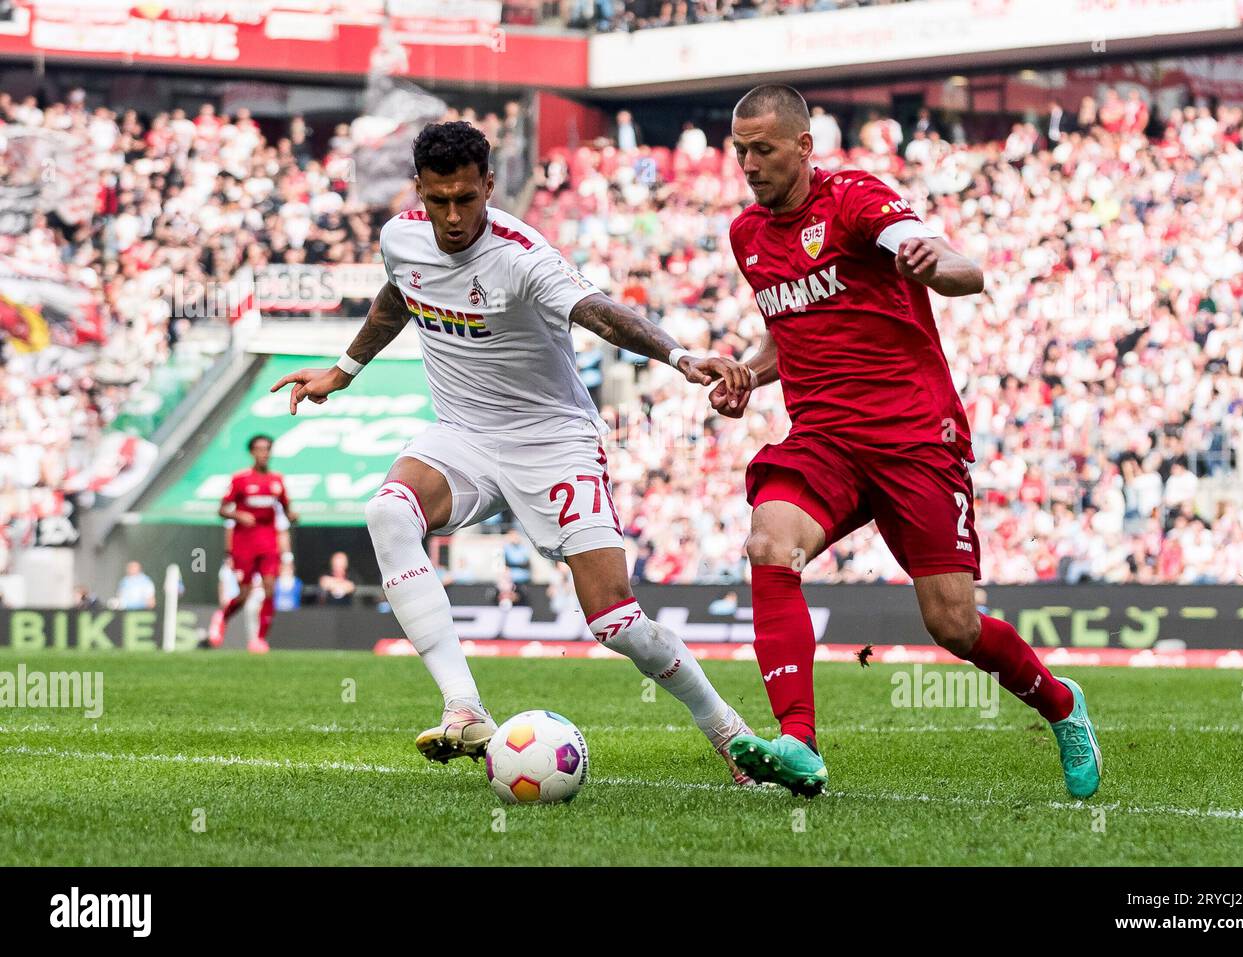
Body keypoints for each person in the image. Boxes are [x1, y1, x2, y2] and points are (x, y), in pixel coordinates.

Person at [271, 121, 758, 785]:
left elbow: (599, 310)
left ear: (489, 188)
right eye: (437, 200)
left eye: (465, 199)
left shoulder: (522, 254)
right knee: (388, 511)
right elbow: (398, 296)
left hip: (551, 438)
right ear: (418, 190)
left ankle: (728, 730)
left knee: (615, 619)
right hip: (463, 435)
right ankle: (464, 706)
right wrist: (343, 370)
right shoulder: (401, 239)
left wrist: (679, 355)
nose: (451, 216)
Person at [715, 85, 1101, 799]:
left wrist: (934, 264)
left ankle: (1061, 704)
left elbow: (962, 269)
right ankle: (798, 741)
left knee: (952, 623)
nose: (749, 164)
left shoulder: (857, 200)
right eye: (740, 150)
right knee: (770, 540)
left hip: (915, 435)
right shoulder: (747, 236)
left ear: (804, 146)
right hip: (825, 438)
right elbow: (792, 328)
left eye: (763, 149)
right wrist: (747, 370)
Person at [206, 434, 298, 654]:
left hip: (268, 541)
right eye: (259, 449)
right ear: (252, 452)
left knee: (269, 588)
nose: (264, 453)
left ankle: (259, 640)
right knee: (245, 593)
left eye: (267, 449)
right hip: (244, 541)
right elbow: (221, 509)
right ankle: (223, 616)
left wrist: (293, 515)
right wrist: (238, 516)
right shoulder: (241, 479)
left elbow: (286, 509)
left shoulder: (277, 481)